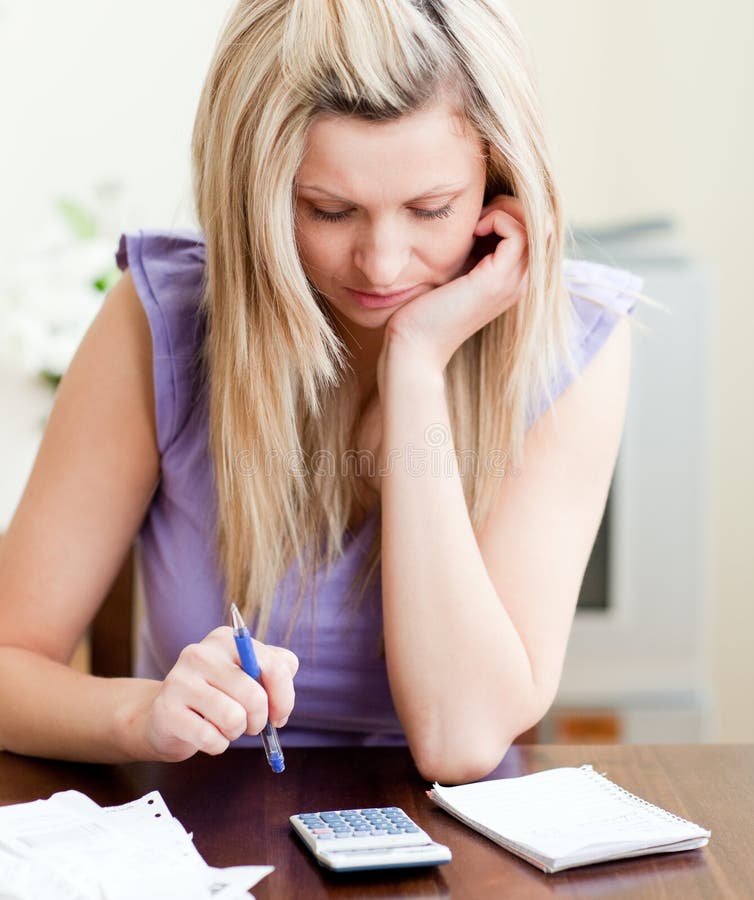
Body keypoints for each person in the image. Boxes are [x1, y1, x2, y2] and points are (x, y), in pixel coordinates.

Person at [0, 0, 642, 784]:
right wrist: (142, 715)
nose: (381, 263)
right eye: (328, 210)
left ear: (496, 181)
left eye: (430, 209)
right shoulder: (161, 321)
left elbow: (462, 740)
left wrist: (415, 364)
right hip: (206, 837)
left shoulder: (572, 342)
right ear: (258, 195)